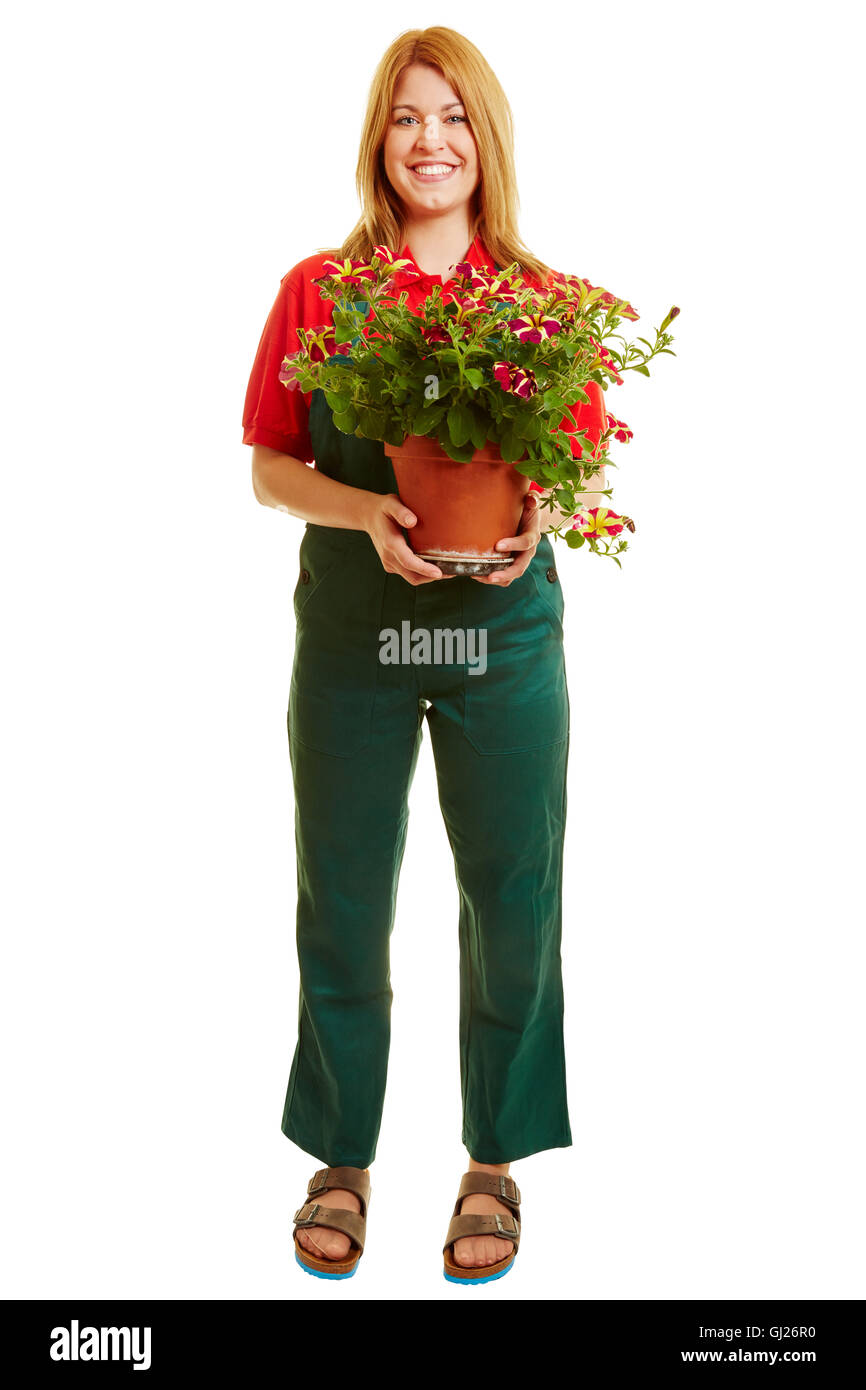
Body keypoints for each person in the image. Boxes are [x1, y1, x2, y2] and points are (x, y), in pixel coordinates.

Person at [241, 27, 608, 1285]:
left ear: (484, 138)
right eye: (404, 117)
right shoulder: (318, 293)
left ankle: (492, 1159)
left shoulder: (541, 303)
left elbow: (569, 466)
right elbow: (269, 468)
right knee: (341, 895)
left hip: (501, 636)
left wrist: (534, 521)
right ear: (376, 142)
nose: (429, 139)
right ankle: (340, 1153)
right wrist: (364, 516)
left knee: (512, 899)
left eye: (451, 115)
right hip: (357, 632)